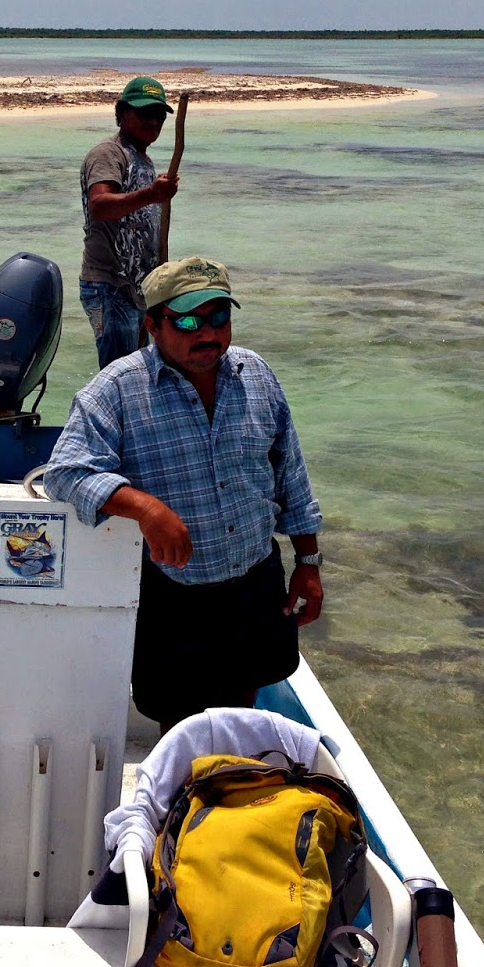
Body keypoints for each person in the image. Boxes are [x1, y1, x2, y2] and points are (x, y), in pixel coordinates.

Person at [43, 256, 323, 731]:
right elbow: (65, 471)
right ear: (152, 324)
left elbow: (290, 475)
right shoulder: (116, 389)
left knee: (244, 708)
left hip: (255, 584)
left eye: (219, 317)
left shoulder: (256, 375)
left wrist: (309, 564)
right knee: (178, 727)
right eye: (188, 320)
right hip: (173, 598)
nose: (207, 333)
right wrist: (146, 508)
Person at [78, 76, 180, 368]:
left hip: (138, 290)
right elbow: (100, 205)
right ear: (122, 113)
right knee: (120, 376)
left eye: (159, 115)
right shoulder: (109, 154)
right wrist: (152, 194)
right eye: (144, 113)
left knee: (140, 372)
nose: (153, 121)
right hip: (111, 286)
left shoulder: (144, 160)